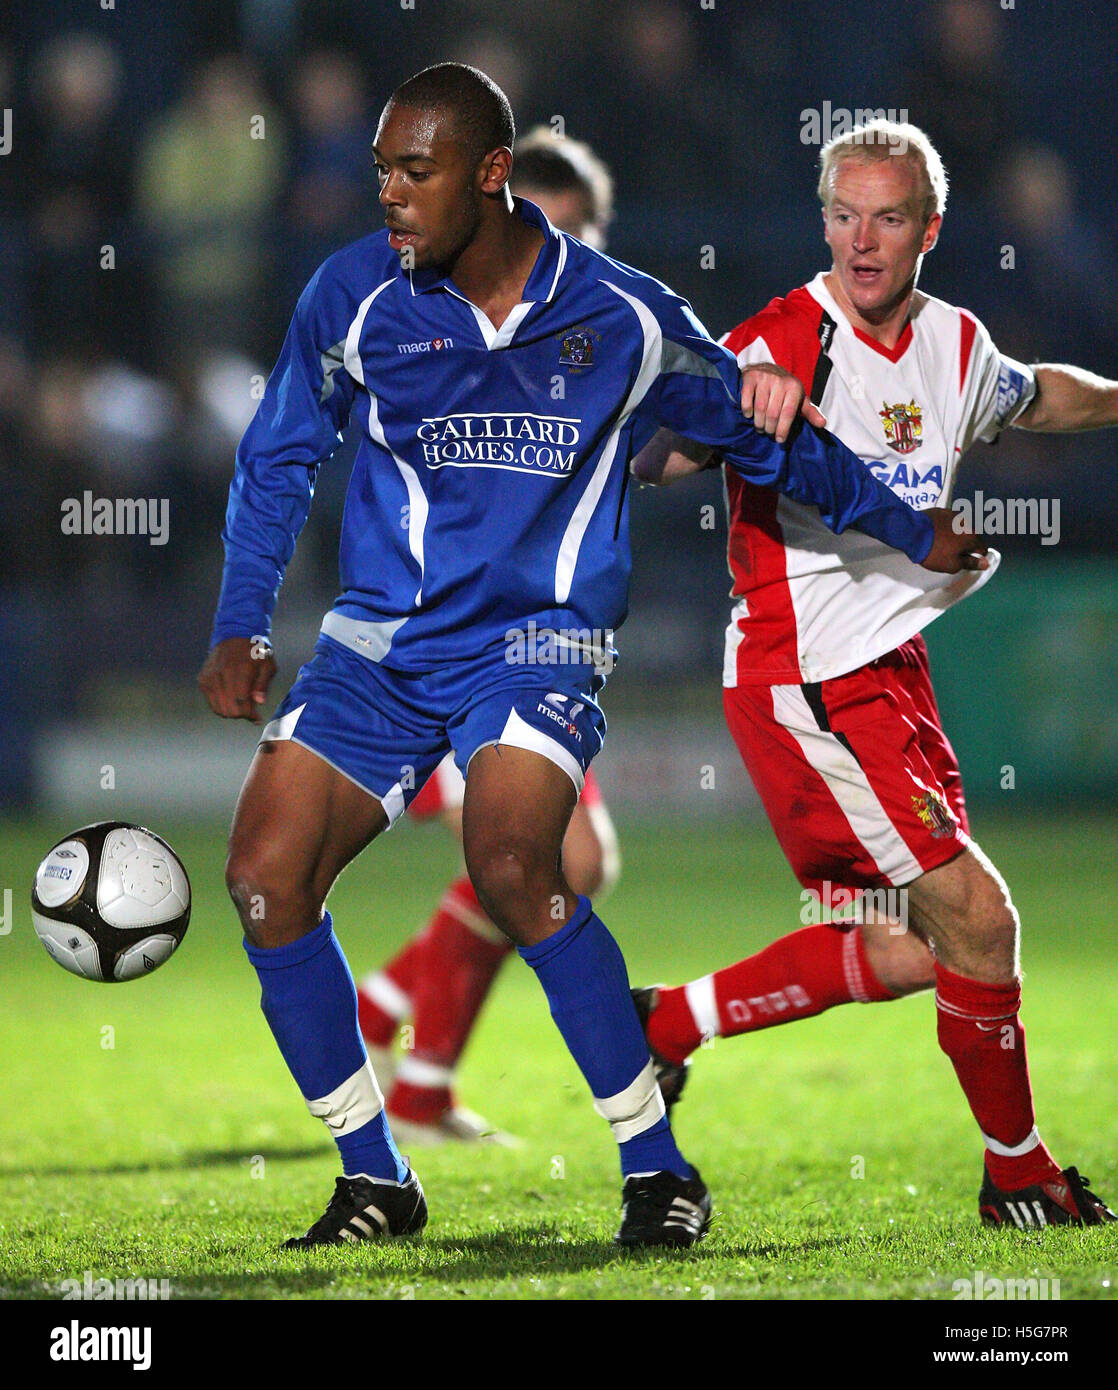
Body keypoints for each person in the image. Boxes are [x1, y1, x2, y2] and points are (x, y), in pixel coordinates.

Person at [198, 70, 982, 1250]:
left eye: (414, 172)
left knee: (516, 858)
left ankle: (655, 1167)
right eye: (381, 172)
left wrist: (903, 525)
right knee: (263, 875)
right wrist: (241, 620)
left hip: (535, 641)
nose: (389, 197)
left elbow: (768, 436)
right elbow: (277, 456)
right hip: (380, 642)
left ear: (491, 173)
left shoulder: (622, 316)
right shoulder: (352, 292)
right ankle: (375, 1176)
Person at [631, 120, 1117, 1229]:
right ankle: (1019, 1176)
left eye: (886, 216)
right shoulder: (782, 338)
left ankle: (660, 1026)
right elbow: (669, 448)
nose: (860, 239)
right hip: (804, 681)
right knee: (978, 922)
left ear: (927, 229)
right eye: (842, 214)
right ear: (821, 221)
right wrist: (702, 416)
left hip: (885, 674)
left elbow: (1038, 396)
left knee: (907, 946)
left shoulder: (952, 343)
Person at [355, 128, 620, 1147]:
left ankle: (396, 1029)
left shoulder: (593, 341)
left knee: (557, 862)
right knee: (567, 857)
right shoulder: (453, 349)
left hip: (542, 653)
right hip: (454, 657)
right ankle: (408, 1061)